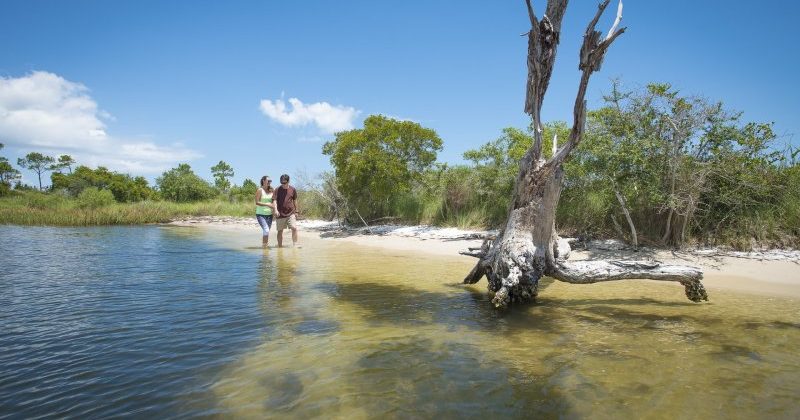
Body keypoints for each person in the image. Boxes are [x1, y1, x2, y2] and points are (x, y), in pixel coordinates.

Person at [275, 174, 299, 247]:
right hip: (280, 214)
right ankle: (280, 247)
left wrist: (297, 211)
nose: (283, 184)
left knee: (294, 228)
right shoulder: (277, 189)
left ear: (288, 181)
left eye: (284, 182)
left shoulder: (293, 189)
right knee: (280, 231)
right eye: (281, 182)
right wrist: (275, 210)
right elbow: (274, 201)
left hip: (291, 213)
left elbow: (295, 200)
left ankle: (295, 245)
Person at [255, 176, 278, 247]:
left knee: (266, 231)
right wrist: (267, 205)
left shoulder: (272, 190)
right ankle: (265, 246)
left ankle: (264, 245)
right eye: (268, 180)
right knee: (266, 230)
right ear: (263, 181)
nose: (269, 182)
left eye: (270, 181)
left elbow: (274, 201)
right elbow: (257, 202)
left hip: (270, 214)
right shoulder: (260, 190)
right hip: (260, 214)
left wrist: (275, 211)